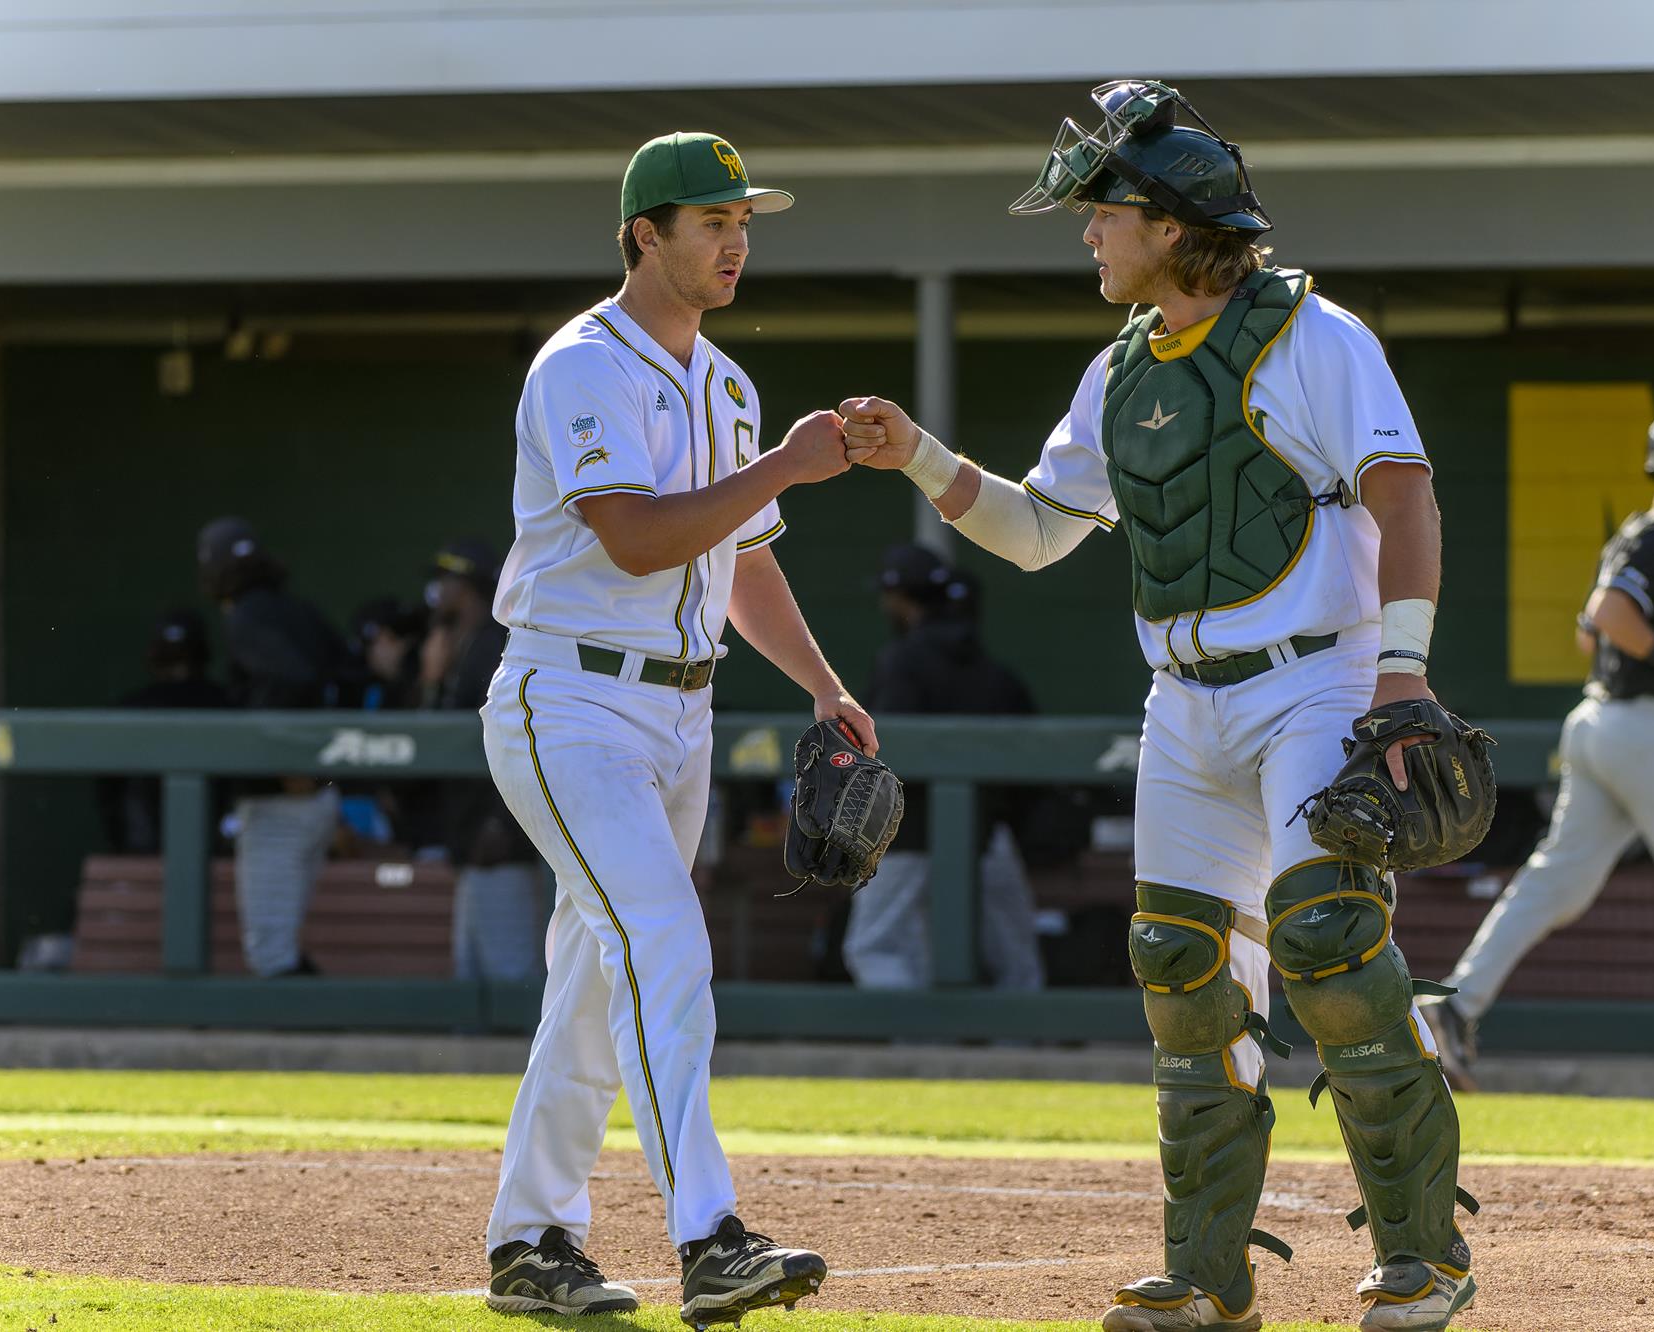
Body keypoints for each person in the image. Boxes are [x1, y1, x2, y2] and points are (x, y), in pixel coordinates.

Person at [842, 80, 1473, 1332]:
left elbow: (1404, 497)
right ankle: (1206, 1279)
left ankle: (1421, 1257)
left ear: (1173, 225)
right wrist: (917, 451)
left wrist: (1401, 673)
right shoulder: (1119, 364)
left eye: (1104, 211)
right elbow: (1032, 532)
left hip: (1320, 679)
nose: (1087, 232)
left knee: (1326, 948)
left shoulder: (1317, 337)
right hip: (1183, 703)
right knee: (1180, 971)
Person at [478, 130, 868, 1326]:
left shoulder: (729, 383)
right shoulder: (580, 366)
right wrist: (791, 470)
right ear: (643, 234)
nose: (735, 238)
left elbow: (736, 564)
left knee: (600, 983)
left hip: (680, 710)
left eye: (742, 217)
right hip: (570, 699)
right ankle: (708, 1237)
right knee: (663, 945)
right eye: (709, 220)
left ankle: (532, 1242)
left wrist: (819, 682)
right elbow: (638, 536)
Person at [1422, 408, 1654, 1105]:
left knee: (1557, 883)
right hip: (1638, 732)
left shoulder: (1640, 536)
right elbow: (1608, 614)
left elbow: (1592, 633)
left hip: (1602, 722)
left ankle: (1455, 1007)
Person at [842, 545, 1044, 990]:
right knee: (1013, 961)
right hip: (987, 836)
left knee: (880, 947)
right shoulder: (993, 669)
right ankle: (1022, 1052)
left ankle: (914, 1054)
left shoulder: (902, 662)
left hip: (907, 837)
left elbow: (878, 754)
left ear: (900, 599)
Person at [196, 517, 349, 977]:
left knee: (270, 954)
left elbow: (292, 678)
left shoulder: (246, 615)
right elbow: (350, 676)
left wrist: (286, 761)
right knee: (278, 947)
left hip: (280, 803)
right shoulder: (298, 610)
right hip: (319, 798)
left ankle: (320, 1044)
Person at [422, 537, 541, 983]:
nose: (438, 590)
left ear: (467, 586)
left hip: (498, 839)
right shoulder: (464, 646)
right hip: (473, 837)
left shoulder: (495, 644)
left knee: (511, 976)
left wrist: (501, 824)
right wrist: (432, 682)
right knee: (470, 978)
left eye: (446, 580)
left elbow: (516, 737)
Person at [97, 608, 231, 854]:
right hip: (150, 851)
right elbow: (109, 791)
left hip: (203, 850)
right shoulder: (224, 702)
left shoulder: (223, 704)